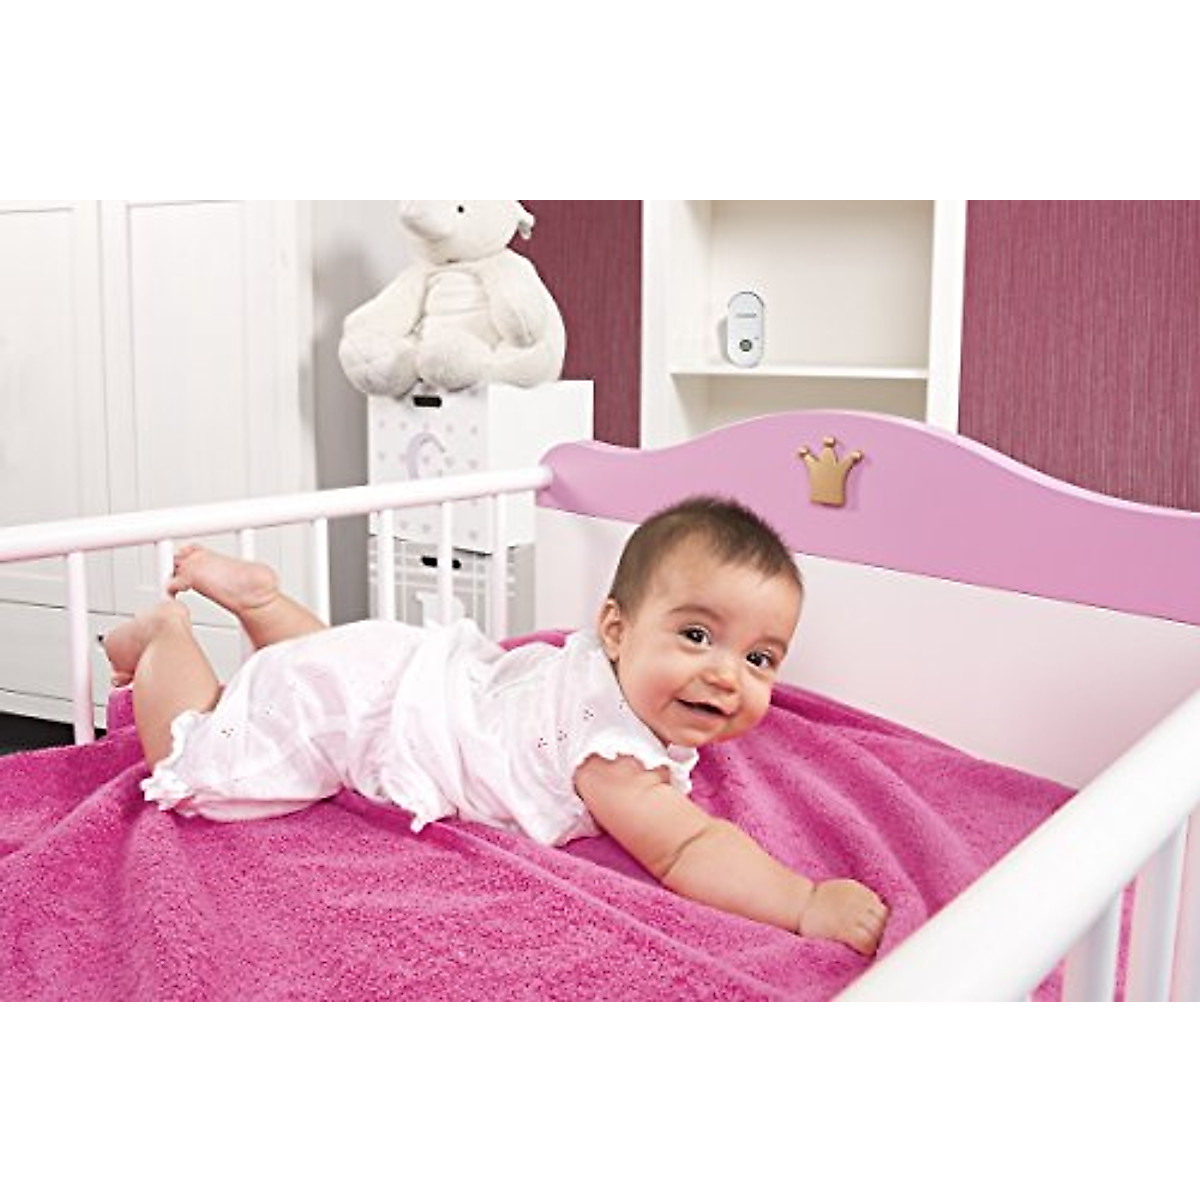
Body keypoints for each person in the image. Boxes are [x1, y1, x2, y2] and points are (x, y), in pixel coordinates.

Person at [104, 496, 889, 955]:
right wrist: (802, 902)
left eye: (759, 658)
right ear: (616, 630)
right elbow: (690, 848)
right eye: (695, 636)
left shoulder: (599, 665)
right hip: (376, 709)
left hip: (395, 666)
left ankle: (264, 606)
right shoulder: (612, 754)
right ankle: (165, 639)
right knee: (202, 770)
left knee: (320, 671)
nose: (726, 675)